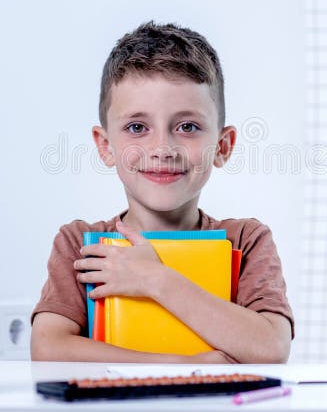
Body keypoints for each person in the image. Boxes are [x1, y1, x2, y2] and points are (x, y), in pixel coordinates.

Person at [30, 21, 293, 363]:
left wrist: (156, 279)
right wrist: (180, 367)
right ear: (106, 146)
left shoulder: (247, 239)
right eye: (137, 127)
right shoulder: (79, 242)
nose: (163, 148)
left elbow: (270, 348)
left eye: (188, 127)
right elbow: (48, 348)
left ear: (223, 146)